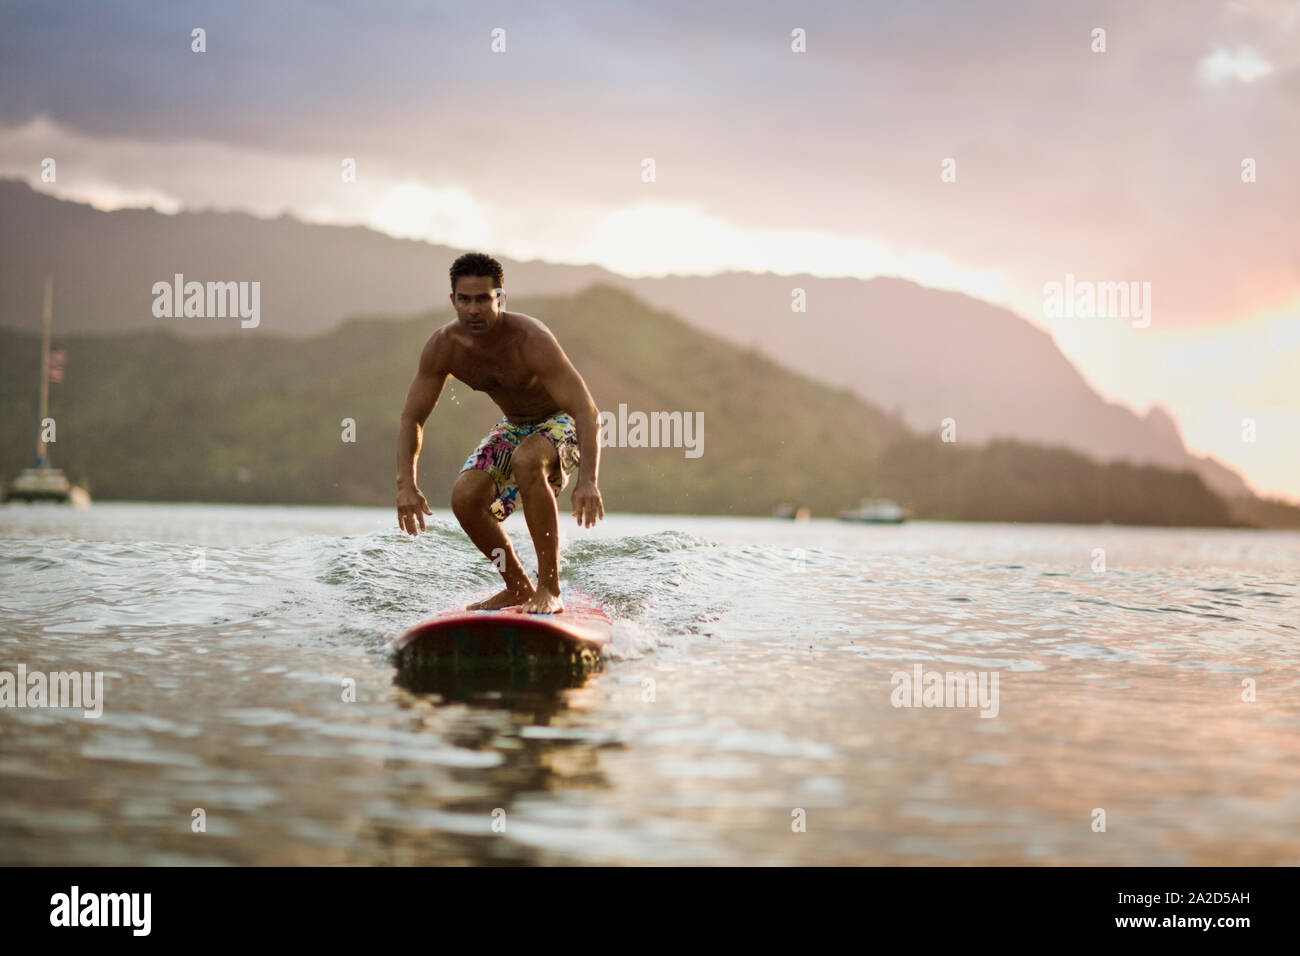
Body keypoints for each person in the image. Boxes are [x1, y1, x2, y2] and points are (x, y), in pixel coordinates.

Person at [395, 252, 605, 613]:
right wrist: (406, 486)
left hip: (563, 422)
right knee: (464, 496)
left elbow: (586, 411)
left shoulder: (530, 339)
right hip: (514, 427)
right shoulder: (443, 347)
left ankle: (549, 587)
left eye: (482, 299)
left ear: (500, 298)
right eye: (465, 299)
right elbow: (412, 419)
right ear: (453, 300)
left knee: (527, 460)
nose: (473, 309)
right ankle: (518, 586)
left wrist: (588, 481)